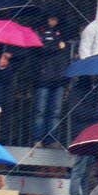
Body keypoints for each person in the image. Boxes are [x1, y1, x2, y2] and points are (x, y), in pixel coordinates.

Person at [33, 11, 72, 145]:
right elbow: (40, 49)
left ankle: (51, 139)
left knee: (55, 111)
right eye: (51, 18)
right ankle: (37, 138)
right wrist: (56, 46)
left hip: (59, 78)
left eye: (55, 18)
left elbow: (66, 56)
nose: (53, 21)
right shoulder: (40, 31)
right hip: (43, 77)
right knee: (41, 110)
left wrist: (66, 78)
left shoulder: (62, 34)